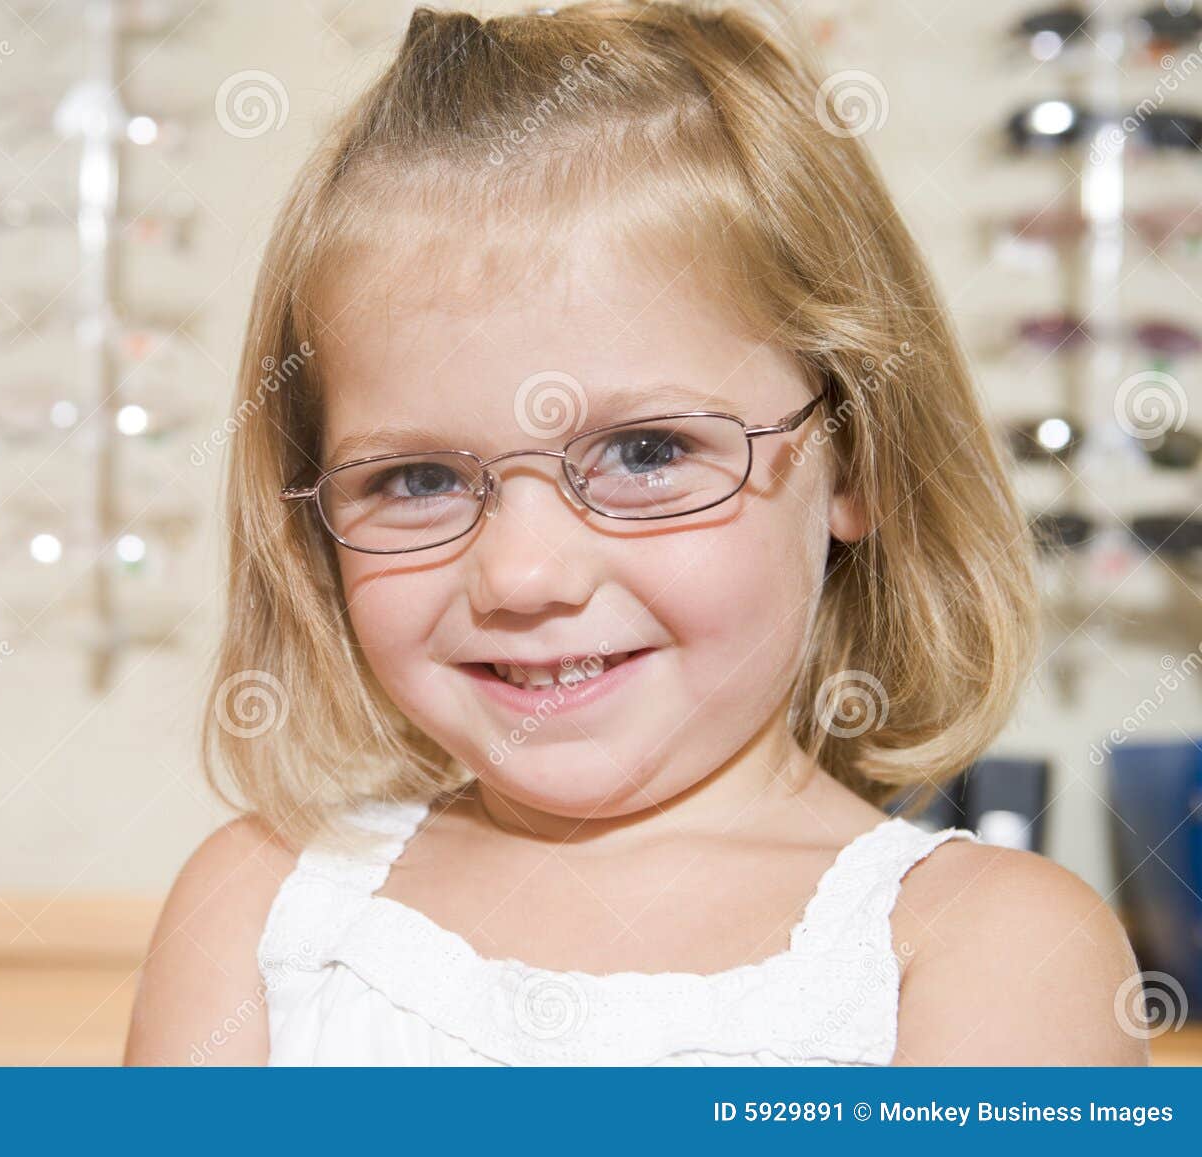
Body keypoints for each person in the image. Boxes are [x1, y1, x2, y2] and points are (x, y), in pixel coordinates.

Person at [125, 0, 1144, 1066]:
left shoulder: (987, 950)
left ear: (862, 457)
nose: (522, 574)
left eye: (648, 452)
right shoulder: (258, 909)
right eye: (417, 476)